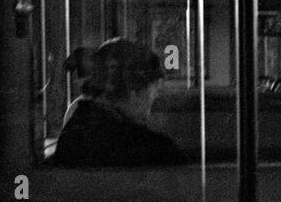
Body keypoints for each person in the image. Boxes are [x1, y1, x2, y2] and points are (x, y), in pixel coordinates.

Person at [53, 38, 184, 167]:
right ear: (134, 90)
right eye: (153, 88)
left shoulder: (73, 133)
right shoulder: (155, 150)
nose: (155, 95)